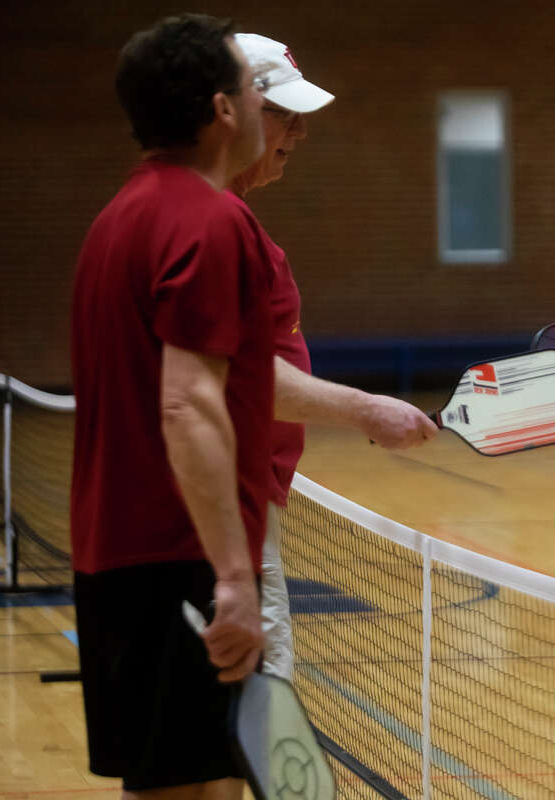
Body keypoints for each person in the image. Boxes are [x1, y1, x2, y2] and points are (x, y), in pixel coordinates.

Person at [70, 14, 273, 799]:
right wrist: (233, 578)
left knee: (185, 781)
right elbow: (186, 404)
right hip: (177, 558)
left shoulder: (115, 220)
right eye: (253, 87)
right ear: (223, 110)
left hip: (114, 556)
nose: (262, 104)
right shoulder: (211, 221)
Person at [230, 32, 437, 681]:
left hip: (248, 505)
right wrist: (366, 409)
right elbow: (231, 375)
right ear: (233, 111)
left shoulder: (230, 221)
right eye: (284, 114)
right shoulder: (217, 226)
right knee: (261, 711)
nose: (300, 133)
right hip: (230, 514)